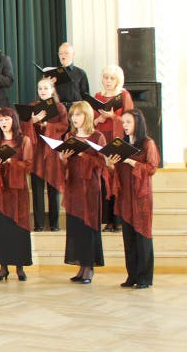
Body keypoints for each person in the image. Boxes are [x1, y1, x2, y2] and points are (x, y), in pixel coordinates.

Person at [107, 109, 159, 289]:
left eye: (128, 122)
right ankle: (132, 276)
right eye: (123, 123)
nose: (125, 126)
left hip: (141, 196)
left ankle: (145, 277)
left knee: (142, 236)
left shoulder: (147, 143)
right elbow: (117, 172)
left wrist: (131, 161)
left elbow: (151, 168)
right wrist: (112, 164)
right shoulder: (122, 144)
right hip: (125, 196)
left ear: (138, 123)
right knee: (128, 238)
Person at [59, 101, 107, 284]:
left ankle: (89, 267)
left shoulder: (97, 137)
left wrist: (83, 155)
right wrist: (63, 158)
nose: (74, 118)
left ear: (87, 116)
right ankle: (81, 265)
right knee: (76, 226)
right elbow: (64, 164)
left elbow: (102, 163)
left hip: (89, 187)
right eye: (72, 115)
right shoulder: (69, 136)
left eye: (78, 115)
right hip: (73, 186)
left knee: (88, 226)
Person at [0, 108, 33, 282]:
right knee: (2, 229)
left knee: (18, 227)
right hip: (1, 190)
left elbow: (28, 165)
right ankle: (3, 267)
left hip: (18, 190)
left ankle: (20, 267)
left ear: (13, 120)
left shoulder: (24, 141)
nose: (3, 123)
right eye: (0, 120)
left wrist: (11, 161)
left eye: (6, 119)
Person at [21, 78, 68, 232]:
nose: (42, 91)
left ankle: (54, 224)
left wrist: (47, 125)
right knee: (37, 188)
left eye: (45, 88)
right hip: (37, 151)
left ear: (52, 90)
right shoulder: (33, 107)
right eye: (40, 88)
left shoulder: (59, 107)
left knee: (53, 187)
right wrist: (32, 121)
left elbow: (64, 126)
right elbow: (24, 127)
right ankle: (39, 224)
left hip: (53, 150)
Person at [94, 65, 134, 232]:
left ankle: (118, 220)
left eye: (112, 78)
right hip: (102, 139)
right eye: (106, 77)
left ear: (117, 80)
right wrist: (99, 120)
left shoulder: (124, 95)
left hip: (118, 140)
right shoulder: (97, 96)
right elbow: (92, 122)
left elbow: (131, 119)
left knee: (118, 178)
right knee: (104, 179)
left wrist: (113, 117)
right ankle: (108, 219)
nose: (108, 81)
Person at [55, 43, 90, 108]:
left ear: (73, 54)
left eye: (66, 53)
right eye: (60, 53)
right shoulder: (54, 73)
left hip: (75, 110)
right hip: (59, 110)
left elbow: (86, 96)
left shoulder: (80, 73)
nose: (63, 55)